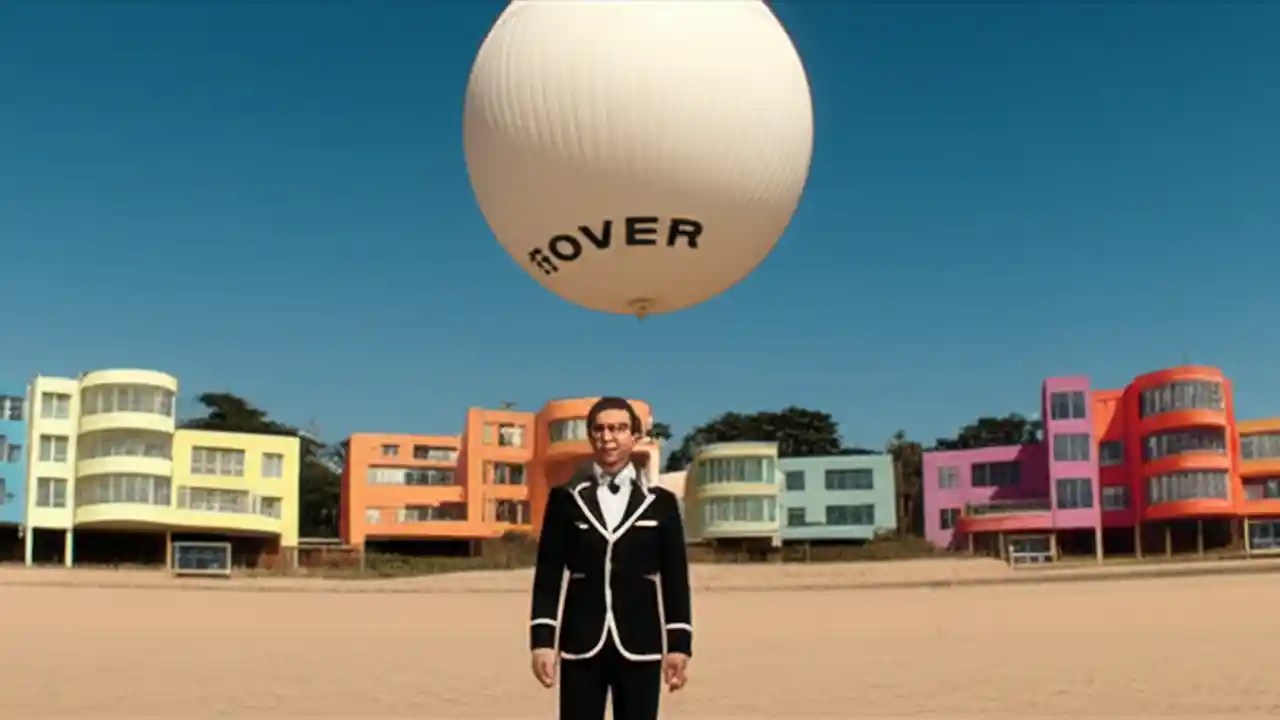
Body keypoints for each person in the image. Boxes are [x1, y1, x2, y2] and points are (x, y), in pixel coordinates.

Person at [528, 396, 692, 720]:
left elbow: (675, 578)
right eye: (600, 429)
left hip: (640, 643)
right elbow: (548, 576)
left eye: (618, 428)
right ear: (591, 436)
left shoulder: (661, 504)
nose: (608, 437)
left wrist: (679, 644)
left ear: (635, 436)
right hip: (580, 642)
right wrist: (542, 641)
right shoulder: (565, 500)